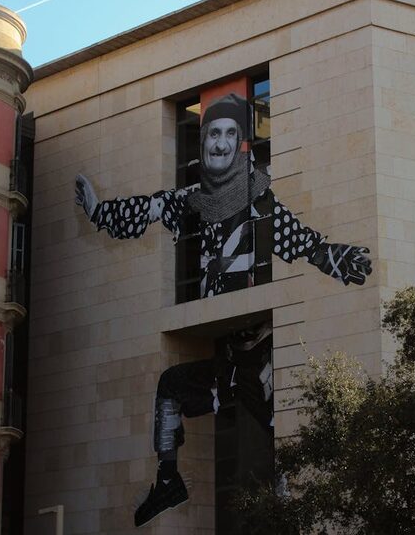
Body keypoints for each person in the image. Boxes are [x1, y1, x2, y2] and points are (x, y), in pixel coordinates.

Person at [74, 92, 372, 527]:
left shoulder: (260, 200)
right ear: (204, 141)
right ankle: (168, 479)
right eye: (213, 133)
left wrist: (339, 259)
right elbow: (146, 208)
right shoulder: (190, 201)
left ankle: (291, 505)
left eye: (230, 134)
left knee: (279, 425)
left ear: (241, 144)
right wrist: (99, 212)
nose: (220, 143)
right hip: (228, 360)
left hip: (260, 353)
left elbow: (304, 243)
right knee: (171, 386)